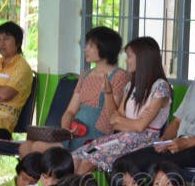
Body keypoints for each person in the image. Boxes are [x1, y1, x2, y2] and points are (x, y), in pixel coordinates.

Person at [113, 30, 195, 171]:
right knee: (124, 163)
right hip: (178, 143)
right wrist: (163, 141)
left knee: (154, 168)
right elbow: (177, 122)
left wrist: (186, 143)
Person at [19, 26, 129, 156]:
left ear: (105, 47)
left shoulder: (120, 76)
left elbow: (111, 116)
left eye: (91, 46)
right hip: (75, 132)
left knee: (37, 146)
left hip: (98, 136)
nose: (85, 49)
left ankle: (51, 175)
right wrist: (67, 130)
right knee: (25, 146)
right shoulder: (85, 75)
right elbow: (70, 111)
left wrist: (108, 93)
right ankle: (32, 177)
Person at [73, 36, 172, 174]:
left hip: (143, 144)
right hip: (123, 138)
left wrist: (123, 121)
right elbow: (114, 121)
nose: (126, 60)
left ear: (143, 58)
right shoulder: (132, 85)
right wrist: (108, 94)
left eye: (130, 56)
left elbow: (140, 126)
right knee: (77, 156)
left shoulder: (160, 86)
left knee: (87, 160)